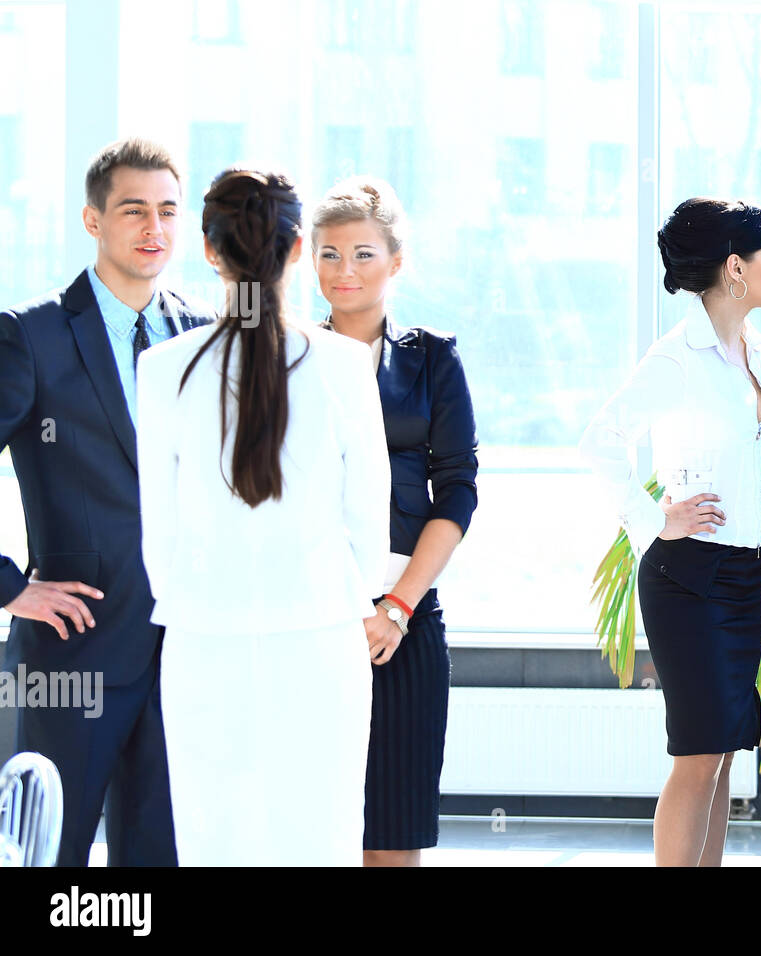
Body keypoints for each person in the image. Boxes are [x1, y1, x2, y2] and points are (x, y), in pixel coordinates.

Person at [135, 168, 390, 866]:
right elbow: (370, 538)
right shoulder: (344, 365)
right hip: (319, 636)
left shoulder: (161, 369)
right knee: (321, 840)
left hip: (201, 638)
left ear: (209, 252)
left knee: (215, 841)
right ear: (300, 250)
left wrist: (205, 595)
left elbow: (156, 539)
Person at [0, 138, 212, 866]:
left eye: (167, 211)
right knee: (50, 857)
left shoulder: (203, 335)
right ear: (92, 220)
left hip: (183, 652)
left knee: (157, 861)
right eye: (133, 210)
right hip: (72, 657)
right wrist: (8, 589)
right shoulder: (30, 336)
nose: (154, 228)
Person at [580, 198, 761, 866]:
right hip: (687, 575)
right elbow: (601, 441)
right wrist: (652, 522)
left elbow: (742, 442)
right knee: (698, 754)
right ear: (735, 268)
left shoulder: (758, 348)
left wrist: (757, 490)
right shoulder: (676, 356)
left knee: (725, 754)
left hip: (744, 571)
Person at [311, 177, 479, 867]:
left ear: (396, 262)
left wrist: (399, 606)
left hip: (403, 622)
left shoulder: (433, 357)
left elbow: (458, 494)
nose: (343, 271)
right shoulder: (290, 357)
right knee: (319, 832)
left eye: (362, 254)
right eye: (327, 254)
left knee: (392, 835)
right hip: (314, 618)